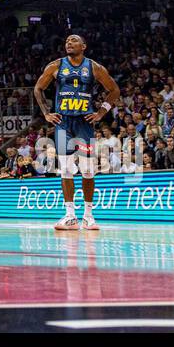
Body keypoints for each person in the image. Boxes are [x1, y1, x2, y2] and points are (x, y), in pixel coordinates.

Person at [33, 34, 119, 231]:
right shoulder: (55, 65)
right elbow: (38, 89)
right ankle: (70, 216)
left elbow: (114, 90)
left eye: (73, 40)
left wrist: (101, 112)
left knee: (88, 170)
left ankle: (88, 216)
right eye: (66, 41)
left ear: (84, 46)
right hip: (63, 122)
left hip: (84, 122)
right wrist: (46, 113)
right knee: (66, 169)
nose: (69, 43)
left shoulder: (94, 67)